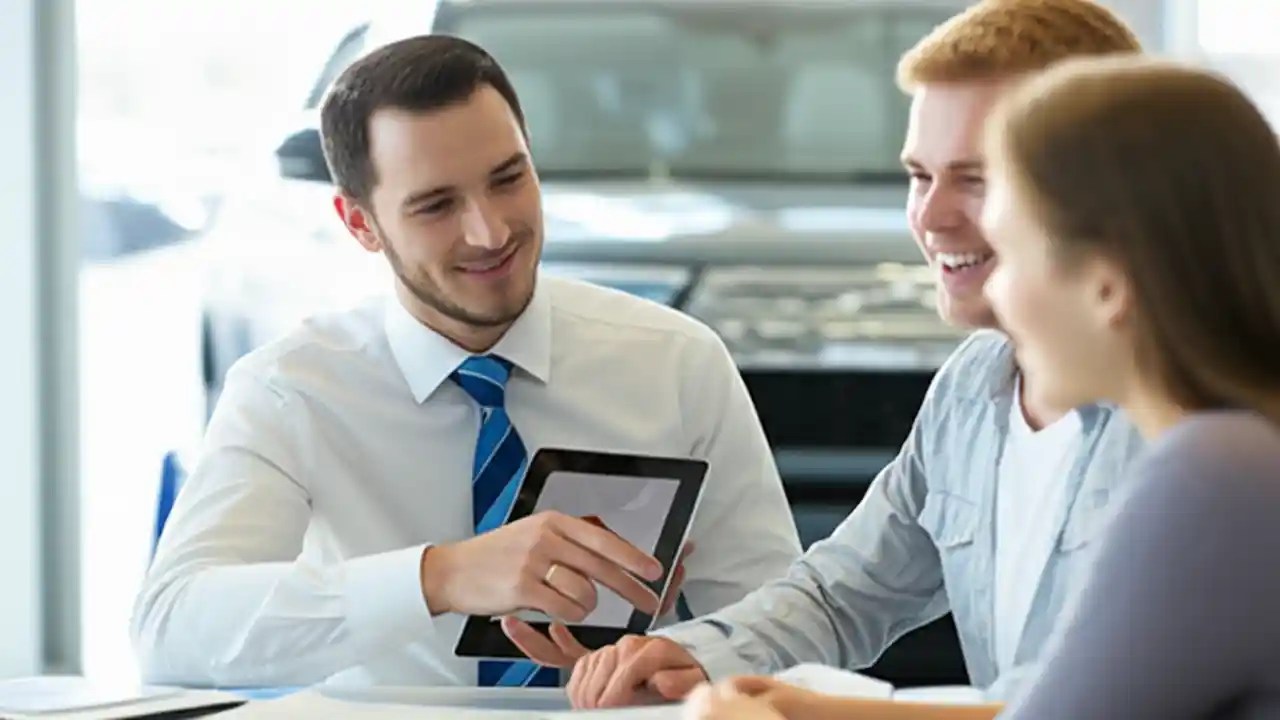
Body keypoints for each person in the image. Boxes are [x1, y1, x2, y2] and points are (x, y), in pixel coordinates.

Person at [130, 35, 802, 689]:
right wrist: (442, 576)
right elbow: (171, 632)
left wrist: (681, 664)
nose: (491, 231)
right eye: (436, 206)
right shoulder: (292, 389)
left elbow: (784, 629)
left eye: (509, 179)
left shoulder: (677, 363)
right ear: (360, 224)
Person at [537, 0, 1149, 709]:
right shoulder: (973, 387)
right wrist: (691, 656)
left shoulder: (1186, 417)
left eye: (975, 179)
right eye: (920, 176)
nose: (931, 216)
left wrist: (815, 709)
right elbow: (843, 592)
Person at [685, 54, 1280, 720]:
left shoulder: (1212, 472)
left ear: (1108, 285)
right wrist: (818, 710)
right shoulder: (1238, 451)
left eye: (1015, 250)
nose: (995, 290)